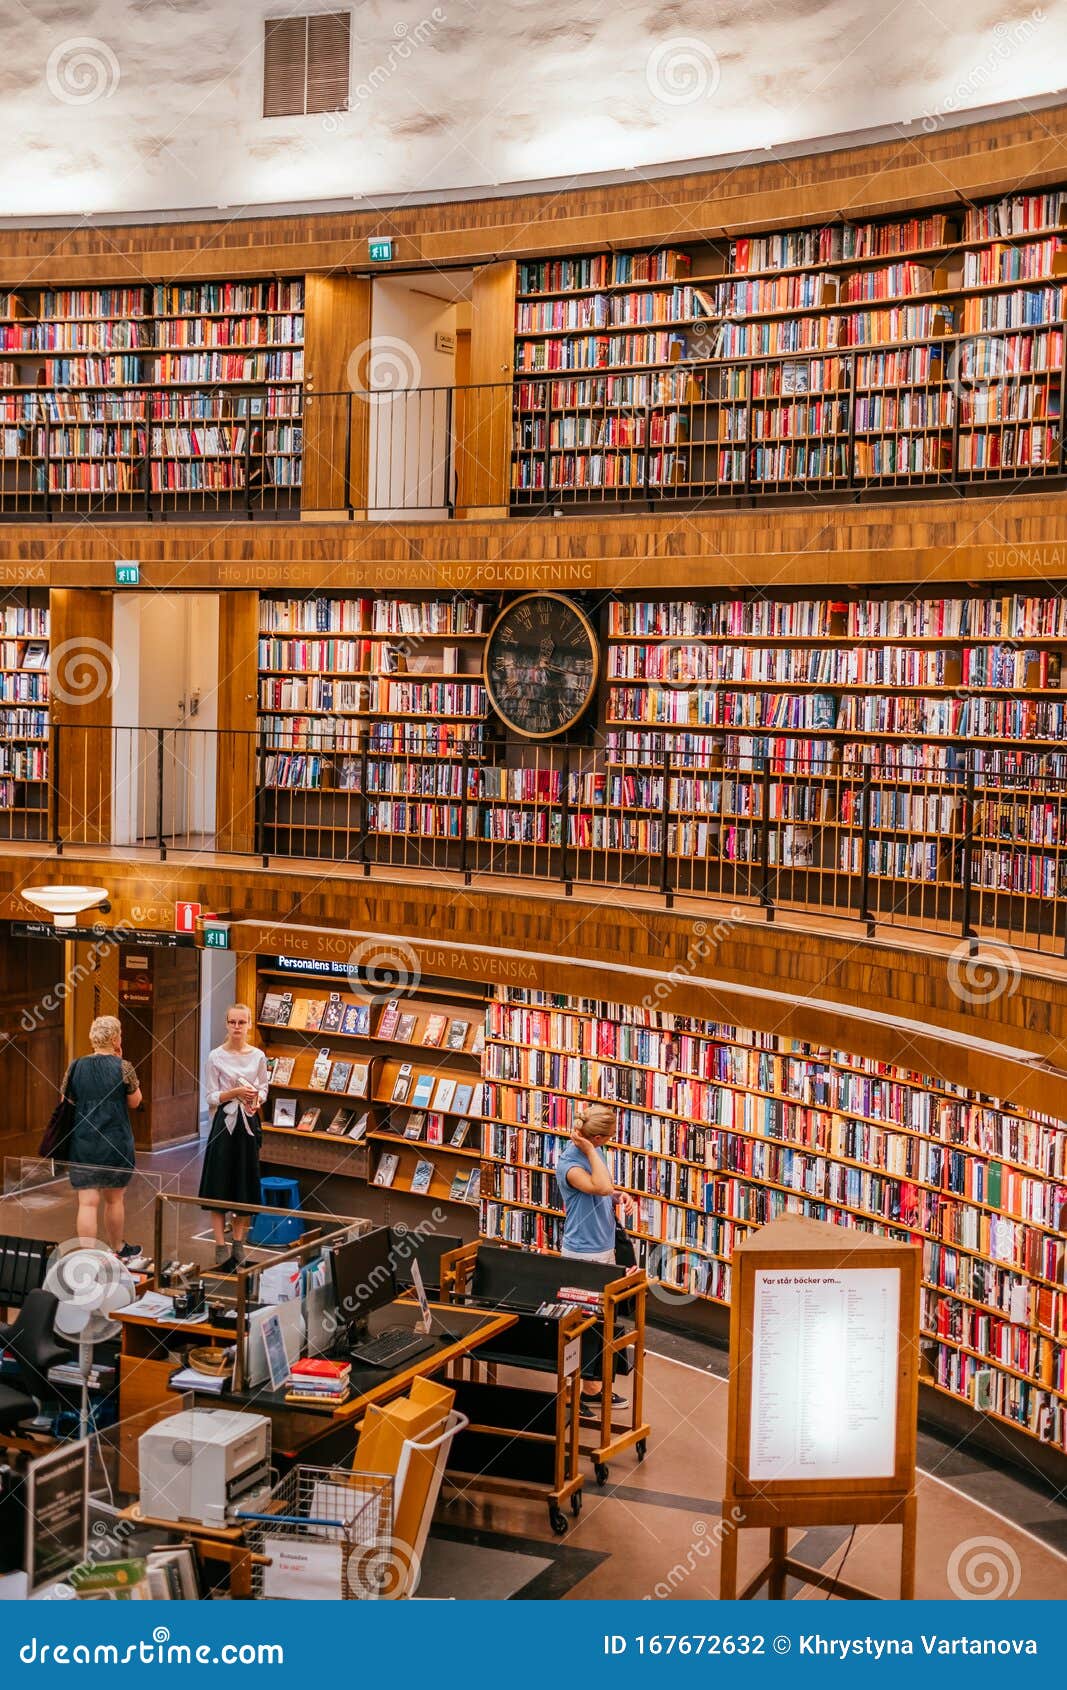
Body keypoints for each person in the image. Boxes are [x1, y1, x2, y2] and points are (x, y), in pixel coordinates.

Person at [555, 1102, 634, 1422]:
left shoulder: (593, 1152)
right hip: (582, 1253)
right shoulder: (570, 1164)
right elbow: (598, 1185)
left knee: (599, 1325)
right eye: (608, 1137)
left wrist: (617, 1197)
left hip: (603, 1248)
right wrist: (590, 1152)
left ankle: (591, 1388)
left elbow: (603, 1190)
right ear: (597, 1138)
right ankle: (570, 1395)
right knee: (578, 1327)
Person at [63, 1015, 143, 1261]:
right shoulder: (123, 1067)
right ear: (116, 1038)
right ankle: (117, 1248)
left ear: (93, 1038)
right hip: (116, 1142)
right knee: (114, 1200)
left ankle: (87, 1255)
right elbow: (135, 1101)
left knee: (87, 1202)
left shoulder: (75, 1066)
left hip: (83, 1141)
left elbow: (66, 1101)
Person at [199, 1003, 268, 1274]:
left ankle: (238, 1241)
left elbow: (264, 1088)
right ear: (226, 1024)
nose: (237, 1027)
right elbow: (211, 1097)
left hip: (248, 1122)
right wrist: (235, 1092)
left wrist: (256, 1098)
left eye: (242, 1022)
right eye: (232, 1022)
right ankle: (220, 1244)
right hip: (224, 1124)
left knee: (243, 1182)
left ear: (249, 1024)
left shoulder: (258, 1056)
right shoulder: (215, 1056)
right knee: (219, 1183)